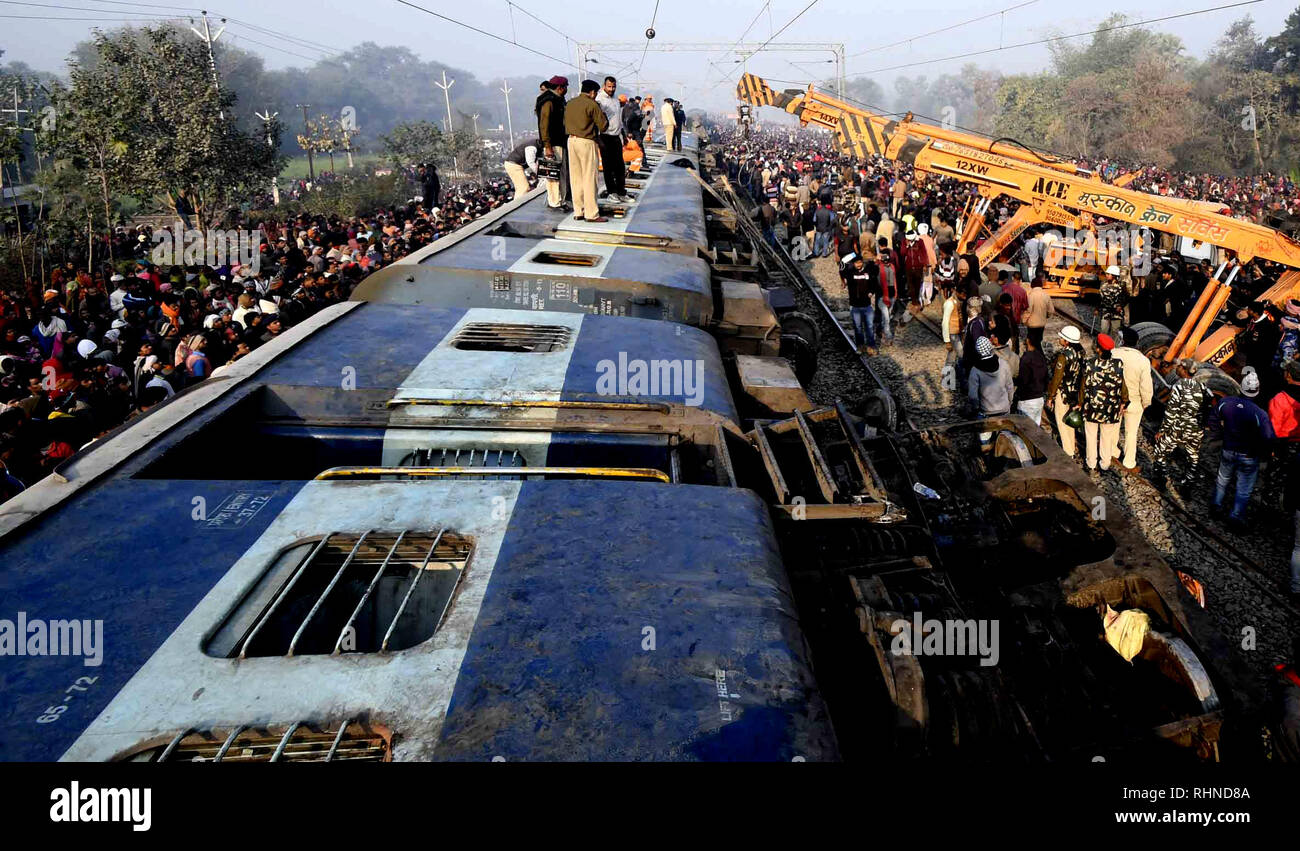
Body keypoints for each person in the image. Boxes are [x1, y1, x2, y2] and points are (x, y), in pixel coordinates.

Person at [1208, 367, 1275, 530]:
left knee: (1222, 479)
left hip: (1228, 449)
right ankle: (1236, 516)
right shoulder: (1259, 414)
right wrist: (1263, 452)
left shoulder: (1226, 403)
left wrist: (1219, 434)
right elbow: (1268, 437)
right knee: (1244, 488)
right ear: (1257, 391)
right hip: (1248, 455)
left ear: (1241, 388)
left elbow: (1213, 418)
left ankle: (1216, 506)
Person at [1150, 357, 1210, 491]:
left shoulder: (1178, 387)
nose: (1176, 368)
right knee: (1193, 457)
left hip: (1177, 429)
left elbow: (1171, 413)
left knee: (1160, 451)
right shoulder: (1202, 387)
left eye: (1178, 366)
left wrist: (1162, 431)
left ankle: (1161, 479)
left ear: (1183, 369)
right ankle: (1187, 484)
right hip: (1195, 430)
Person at [1079, 333, 1129, 473]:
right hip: (1110, 408)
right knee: (1107, 437)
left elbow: (1084, 386)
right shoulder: (1118, 364)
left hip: (1092, 408)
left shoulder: (1089, 364)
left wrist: (1080, 402)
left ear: (1098, 349)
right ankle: (1105, 464)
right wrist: (1124, 401)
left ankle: (1091, 463)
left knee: (1090, 435)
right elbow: (1122, 385)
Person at [564, 80, 609, 224]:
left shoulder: (570, 103)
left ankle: (579, 211)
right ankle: (592, 214)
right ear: (593, 92)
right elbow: (603, 126)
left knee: (576, 177)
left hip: (571, 141)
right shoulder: (592, 104)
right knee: (590, 177)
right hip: (587, 142)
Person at [1111, 327, 1154, 473]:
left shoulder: (1112, 353)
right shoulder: (1143, 360)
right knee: (1131, 433)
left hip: (1114, 399)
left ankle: (1112, 451)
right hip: (1135, 402)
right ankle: (1129, 462)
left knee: (1113, 427)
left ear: (1122, 340)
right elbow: (1146, 385)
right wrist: (1146, 402)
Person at [1046, 325, 1086, 457]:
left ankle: (1068, 451)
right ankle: (1072, 446)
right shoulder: (1081, 352)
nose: (1060, 339)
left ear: (1067, 341)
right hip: (1075, 392)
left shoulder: (1064, 356)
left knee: (1062, 422)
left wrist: (1051, 396)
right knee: (1070, 420)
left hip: (1063, 393)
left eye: (1062, 337)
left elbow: (1057, 378)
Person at [968, 336, 1014, 447]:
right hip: (1004, 409)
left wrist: (976, 408)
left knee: (984, 441)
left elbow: (973, 395)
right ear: (990, 348)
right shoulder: (1003, 364)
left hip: (986, 412)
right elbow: (1010, 386)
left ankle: (986, 455)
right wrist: (1009, 402)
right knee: (1005, 438)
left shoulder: (975, 370)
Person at [537, 76, 571, 210]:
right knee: (553, 173)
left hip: (560, 141)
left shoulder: (557, 99)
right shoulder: (549, 101)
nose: (567, 89)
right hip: (553, 142)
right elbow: (544, 124)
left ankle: (560, 200)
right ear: (560, 88)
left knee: (560, 172)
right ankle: (555, 202)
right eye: (566, 87)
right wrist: (547, 145)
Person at [594, 76, 628, 203]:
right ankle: (611, 192)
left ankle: (621, 192)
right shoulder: (599, 100)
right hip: (605, 137)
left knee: (620, 166)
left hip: (616, 136)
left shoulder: (615, 99)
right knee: (608, 167)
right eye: (609, 86)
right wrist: (599, 139)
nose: (612, 89)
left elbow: (618, 119)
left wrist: (623, 135)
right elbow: (596, 119)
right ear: (604, 86)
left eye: (613, 86)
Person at [841, 253, 878, 356]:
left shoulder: (868, 272)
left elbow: (874, 282)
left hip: (867, 305)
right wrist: (851, 255)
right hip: (855, 306)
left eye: (860, 262)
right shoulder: (849, 273)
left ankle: (871, 346)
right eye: (856, 263)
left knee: (870, 327)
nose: (858, 264)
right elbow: (841, 267)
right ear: (853, 264)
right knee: (858, 328)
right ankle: (860, 346)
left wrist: (871, 292)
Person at [1015, 330, 1049, 427]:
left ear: (1028, 341)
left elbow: (1023, 380)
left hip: (1027, 400)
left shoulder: (1026, 359)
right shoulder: (1041, 357)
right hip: (1039, 399)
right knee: (1035, 430)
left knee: (1025, 431)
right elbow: (1046, 377)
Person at [1098, 265, 1127, 337]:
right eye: (1106, 274)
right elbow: (1099, 298)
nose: (1106, 275)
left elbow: (1126, 297)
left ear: (1114, 276)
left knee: (1115, 333)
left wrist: (1121, 306)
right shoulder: (1103, 284)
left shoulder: (1121, 286)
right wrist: (1097, 308)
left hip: (1116, 314)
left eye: (1108, 274)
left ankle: (1114, 347)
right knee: (1103, 330)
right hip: (1106, 312)